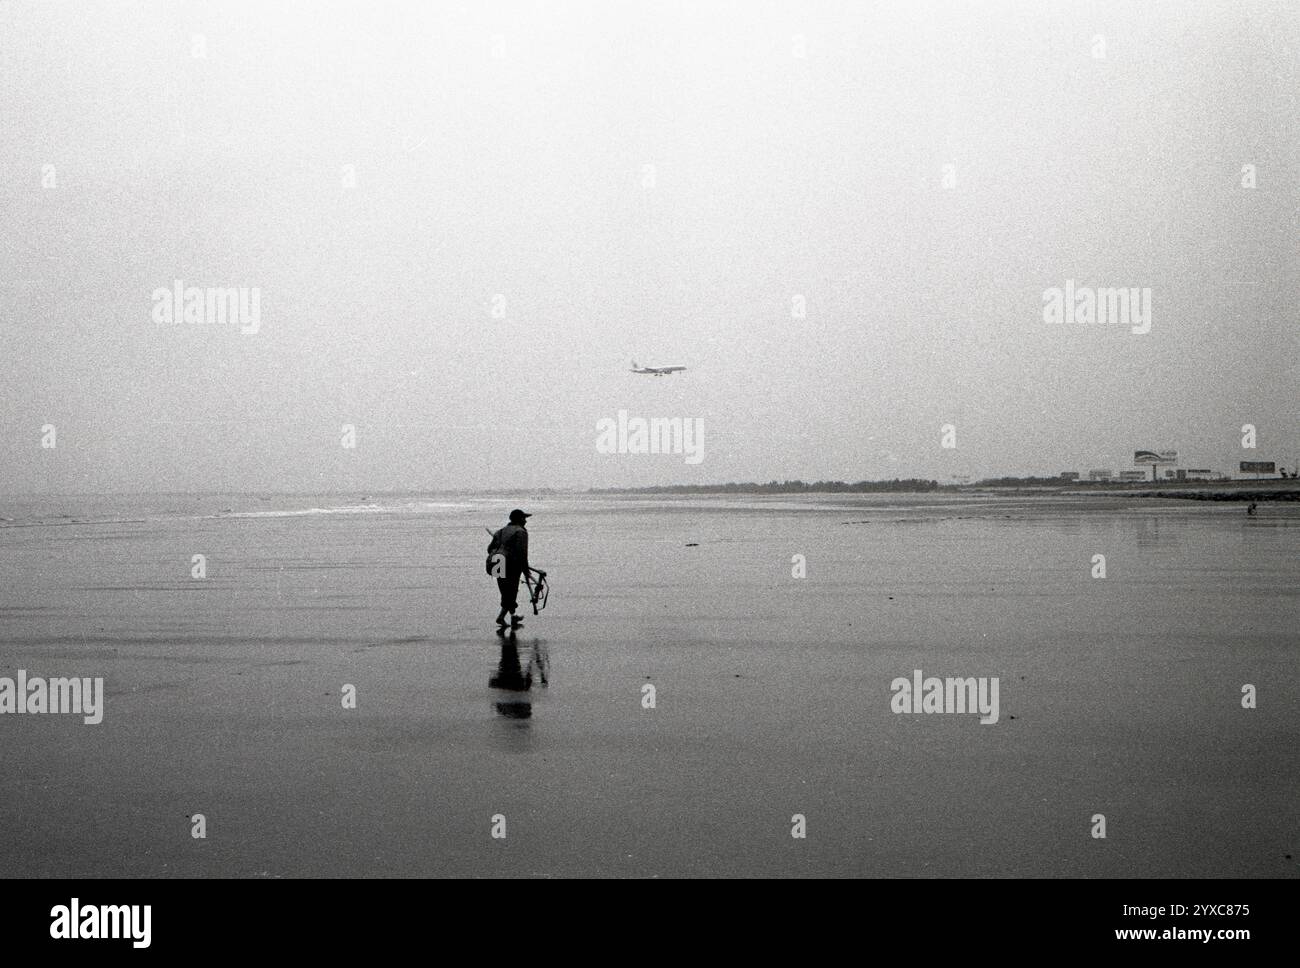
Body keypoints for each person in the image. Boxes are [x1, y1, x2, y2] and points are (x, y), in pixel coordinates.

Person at [489, 509, 536, 629]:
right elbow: (522, 552)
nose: (525, 521)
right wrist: (525, 569)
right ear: (518, 519)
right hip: (509, 563)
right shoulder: (521, 532)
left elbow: (489, 549)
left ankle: (512, 615)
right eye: (523, 518)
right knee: (511, 590)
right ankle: (501, 617)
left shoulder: (500, 531)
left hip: (495, 561)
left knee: (505, 590)